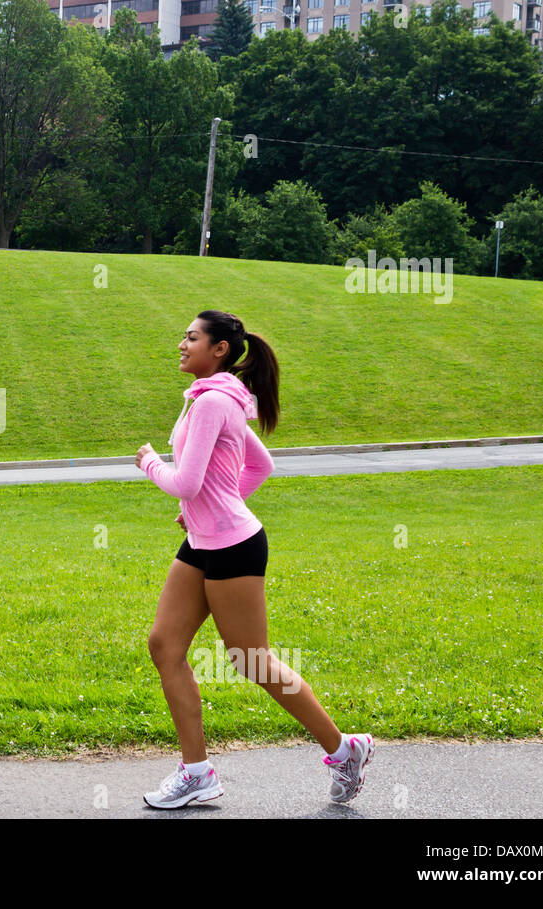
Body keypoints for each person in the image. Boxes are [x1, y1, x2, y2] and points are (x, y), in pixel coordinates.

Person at [134, 310, 374, 809]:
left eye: (191, 336)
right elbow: (258, 465)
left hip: (233, 547)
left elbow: (187, 483)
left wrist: (151, 463)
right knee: (165, 644)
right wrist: (211, 506)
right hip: (203, 540)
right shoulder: (211, 398)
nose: (181, 343)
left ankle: (344, 749)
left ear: (219, 349)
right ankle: (196, 772)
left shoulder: (213, 403)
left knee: (252, 661)